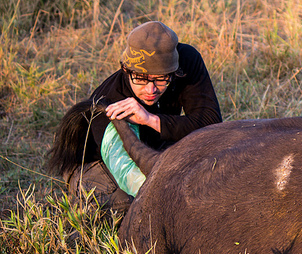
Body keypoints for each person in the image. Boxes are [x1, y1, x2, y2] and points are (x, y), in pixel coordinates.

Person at [48, 21, 222, 213]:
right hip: (96, 164)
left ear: (175, 72)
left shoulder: (186, 61)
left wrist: (150, 119)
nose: (151, 90)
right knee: (139, 205)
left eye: (161, 79)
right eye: (140, 78)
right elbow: (129, 175)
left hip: (153, 148)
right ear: (125, 69)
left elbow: (212, 127)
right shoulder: (111, 103)